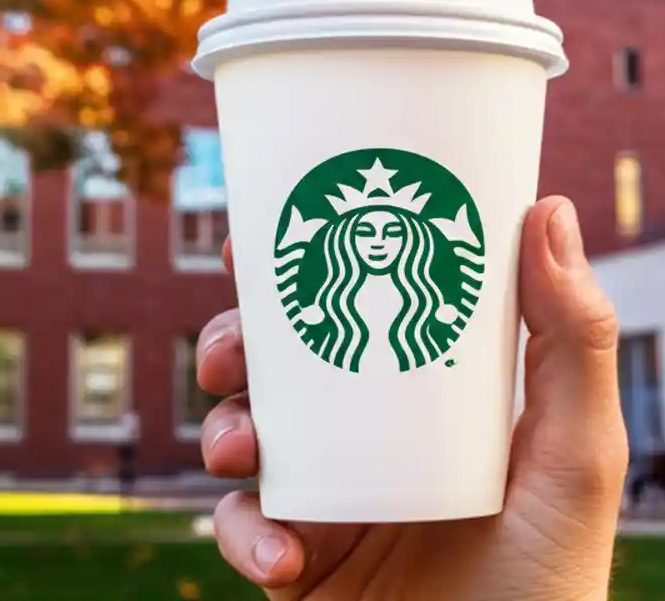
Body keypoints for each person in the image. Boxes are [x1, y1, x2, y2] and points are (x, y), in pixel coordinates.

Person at [196, 197, 627, 599]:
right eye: (366, 233)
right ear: (343, 239)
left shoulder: (426, 307)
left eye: (393, 233)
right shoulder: (331, 305)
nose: (380, 243)